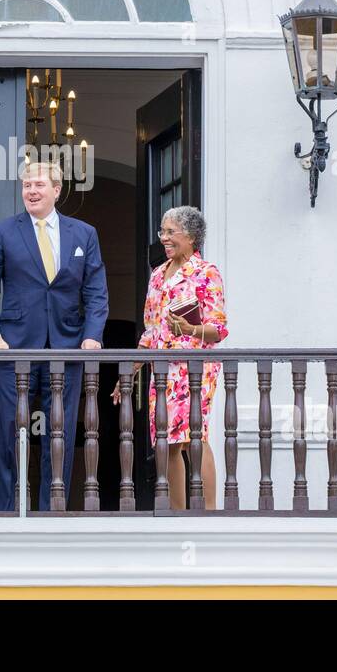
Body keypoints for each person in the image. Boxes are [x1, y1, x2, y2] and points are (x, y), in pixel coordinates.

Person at [0, 161, 108, 511]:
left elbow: (96, 291)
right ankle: (6, 510)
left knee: (59, 434)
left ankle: (53, 510)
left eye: (39, 185)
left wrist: (92, 336)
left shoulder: (84, 234)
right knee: (7, 432)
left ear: (56, 190)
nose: (31, 191)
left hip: (67, 347)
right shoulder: (4, 231)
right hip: (13, 347)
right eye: (26, 185)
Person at [117, 205, 227, 510]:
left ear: (191, 236)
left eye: (170, 232)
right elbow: (151, 331)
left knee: (194, 438)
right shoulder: (157, 276)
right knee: (168, 442)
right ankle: (178, 513)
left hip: (194, 369)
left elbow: (218, 329)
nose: (164, 238)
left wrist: (190, 328)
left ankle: (208, 512)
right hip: (163, 369)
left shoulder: (206, 273)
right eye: (162, 231)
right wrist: (131, 370)